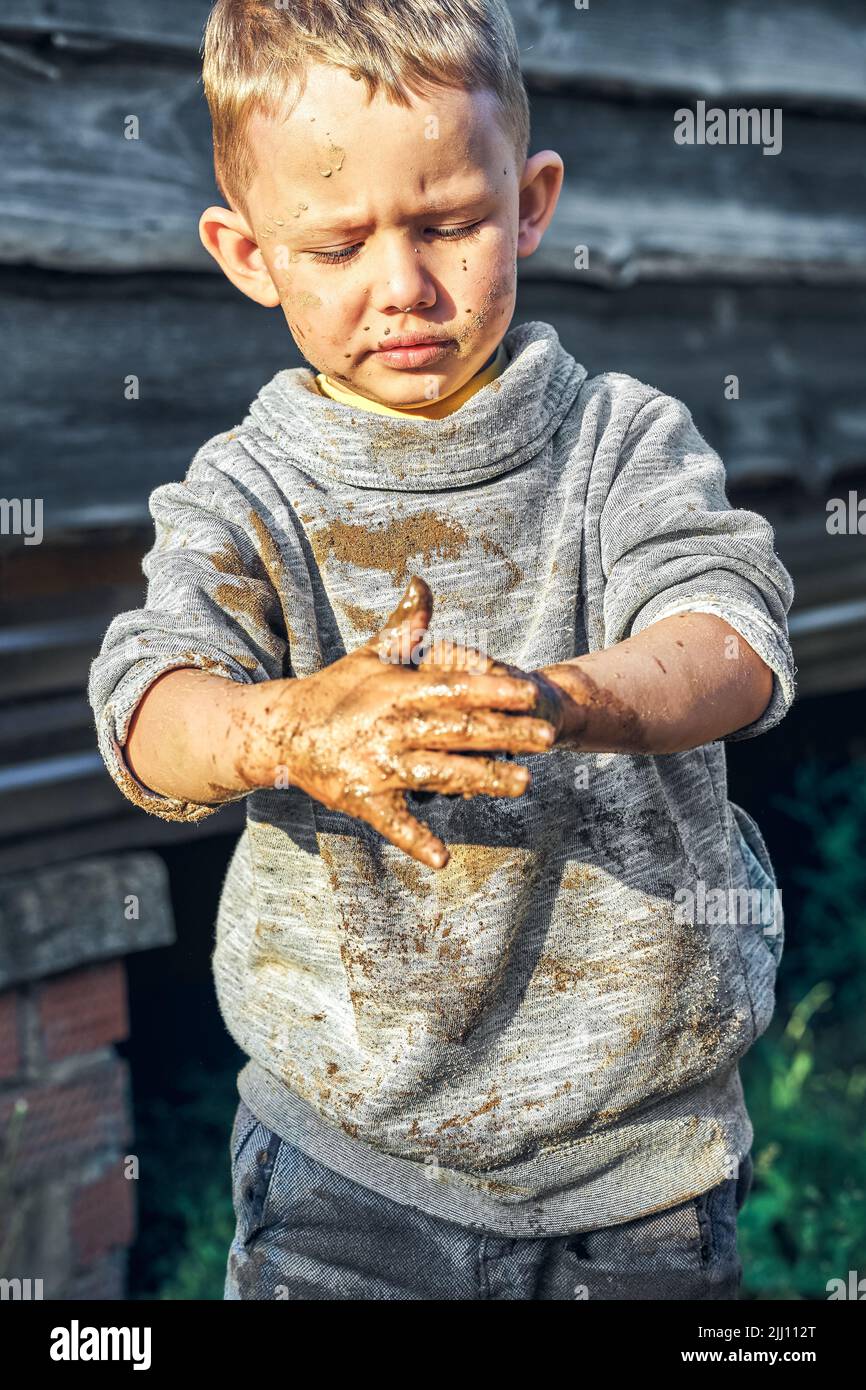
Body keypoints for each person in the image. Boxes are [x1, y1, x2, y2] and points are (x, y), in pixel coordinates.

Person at [88, 0, 795, 1300]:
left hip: (636, 1164)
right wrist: (281, 728)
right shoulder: (247, 493)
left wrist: (560, 699)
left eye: (447, 226)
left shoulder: (621, 444)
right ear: (247, 254)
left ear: (528, 203)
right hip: (342, 1170)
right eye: (338, 243)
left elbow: (729, 643)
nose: (401, 286)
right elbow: (147, 704)